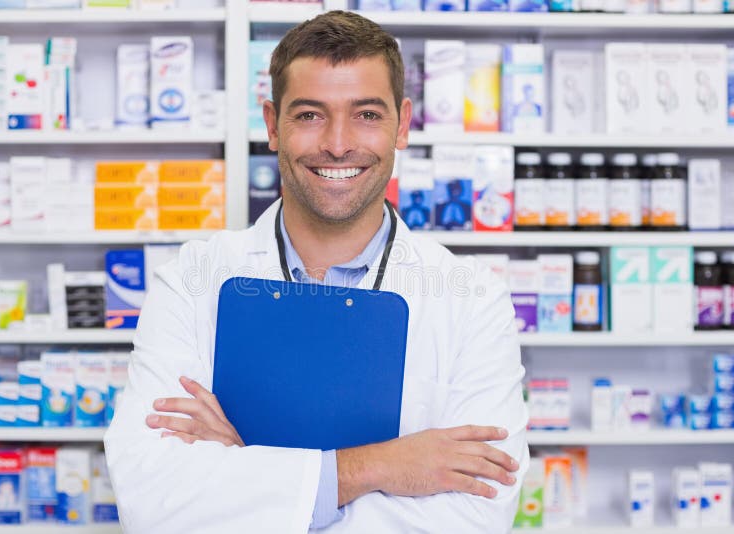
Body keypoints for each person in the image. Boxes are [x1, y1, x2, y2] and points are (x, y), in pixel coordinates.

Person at [104, 11, 529, 533]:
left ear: (404, 124)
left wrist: (249, 474)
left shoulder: (471, 300)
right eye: (309, 115)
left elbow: (475, 513)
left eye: (367, 115)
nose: (337, 143)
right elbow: (155, 500)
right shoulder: (193, 282)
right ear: (271, 126)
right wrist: (381, 466)